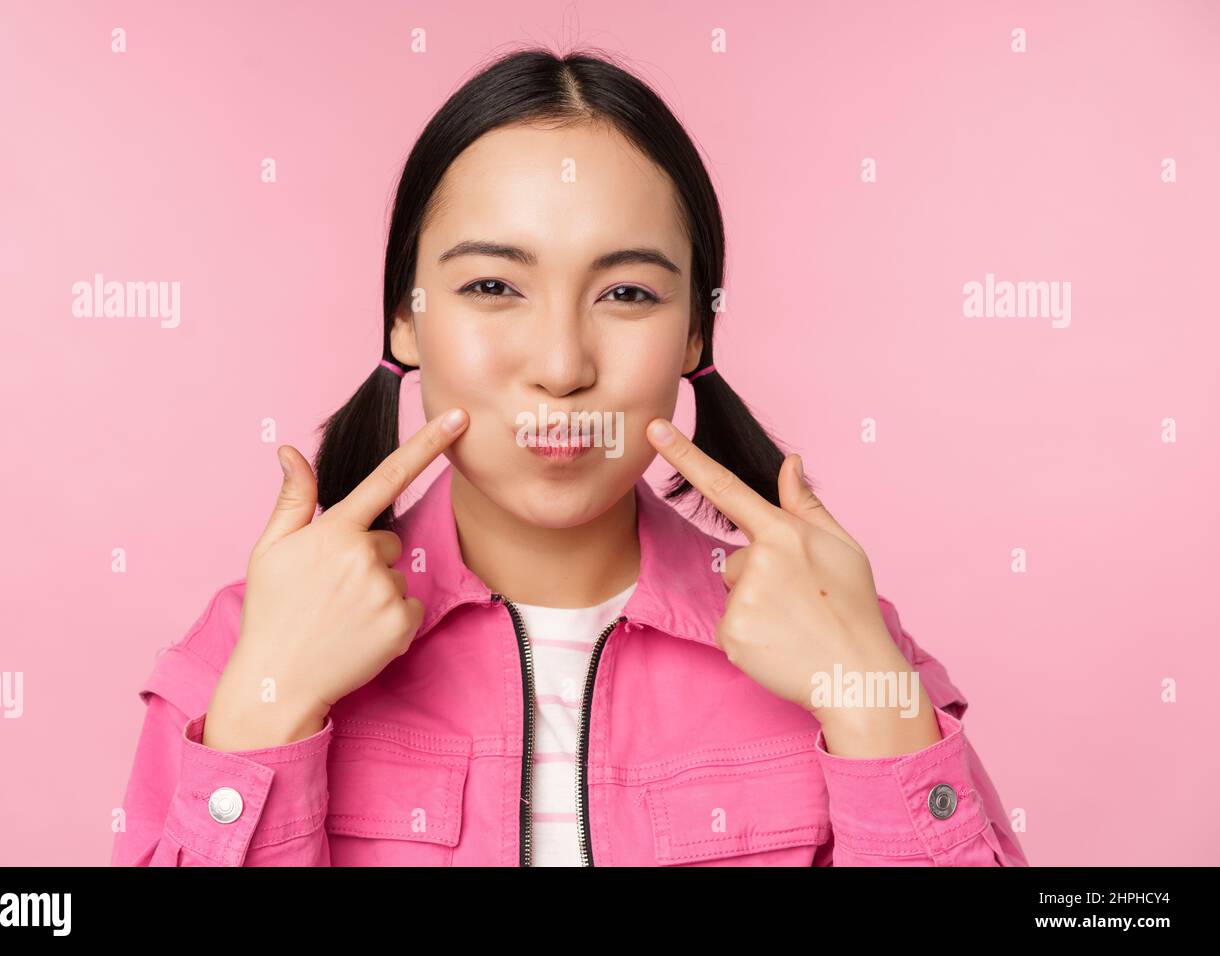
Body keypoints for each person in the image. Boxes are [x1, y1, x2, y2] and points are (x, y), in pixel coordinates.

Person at [112, 47, 1028, 867]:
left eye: (627, 292)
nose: (561, 367)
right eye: (491, 287)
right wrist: (265, 717)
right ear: (404, 317)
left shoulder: (841, 633)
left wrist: (870, 705)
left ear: (696, 334)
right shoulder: (245, 648)